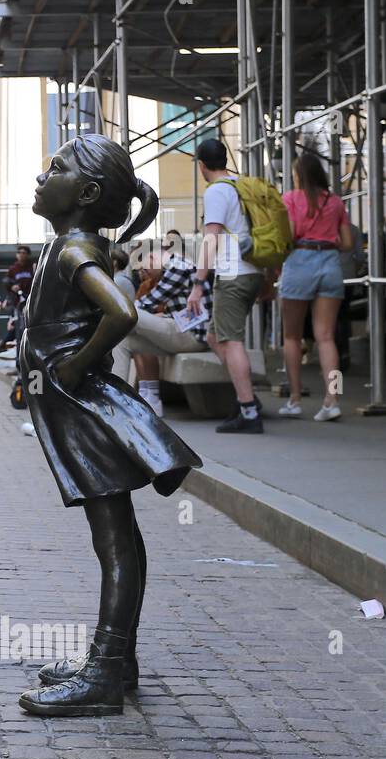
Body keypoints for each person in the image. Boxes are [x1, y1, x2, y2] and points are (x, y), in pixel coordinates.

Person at [17, 133, 201, 716]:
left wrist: (70, 363)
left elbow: (122, 313)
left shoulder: (74, 251)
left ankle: (104, 672)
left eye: (56, 168)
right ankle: (118, 662)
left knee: (113, 537)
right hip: (72, 402)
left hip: (83, 404)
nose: (43, 176)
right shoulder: (69, 247)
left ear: (87, 192)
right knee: (116, 534)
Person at [186, 137, 265, 434]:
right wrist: (267, 276)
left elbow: (211, 238)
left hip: (232, 274)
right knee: (214, 336)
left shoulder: (217, 191)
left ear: (202, 165)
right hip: (252, 270)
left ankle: (248, 411)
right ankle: (246, 396)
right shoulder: (242, 185)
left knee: (231, 341)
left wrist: (198, 283)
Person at [278, 153, 353, 422]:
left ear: (300, 175)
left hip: (300, 262)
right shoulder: (335, 202)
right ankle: (333, 399)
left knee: (292, 337)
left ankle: (295, 399)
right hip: (330, 263)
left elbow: (292, 233)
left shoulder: (291, 199)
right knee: (326, 338)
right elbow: (346, 243)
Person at [109, 236, 214, 417]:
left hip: (193, 337)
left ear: (152, 257)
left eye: (143, 267)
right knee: (125, 340)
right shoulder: (175, 268)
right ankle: (117, 400)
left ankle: (127, 396)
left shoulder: (178, 267)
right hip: (182, 331)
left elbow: (146, 303)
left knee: (128, 313)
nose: (143, 273)